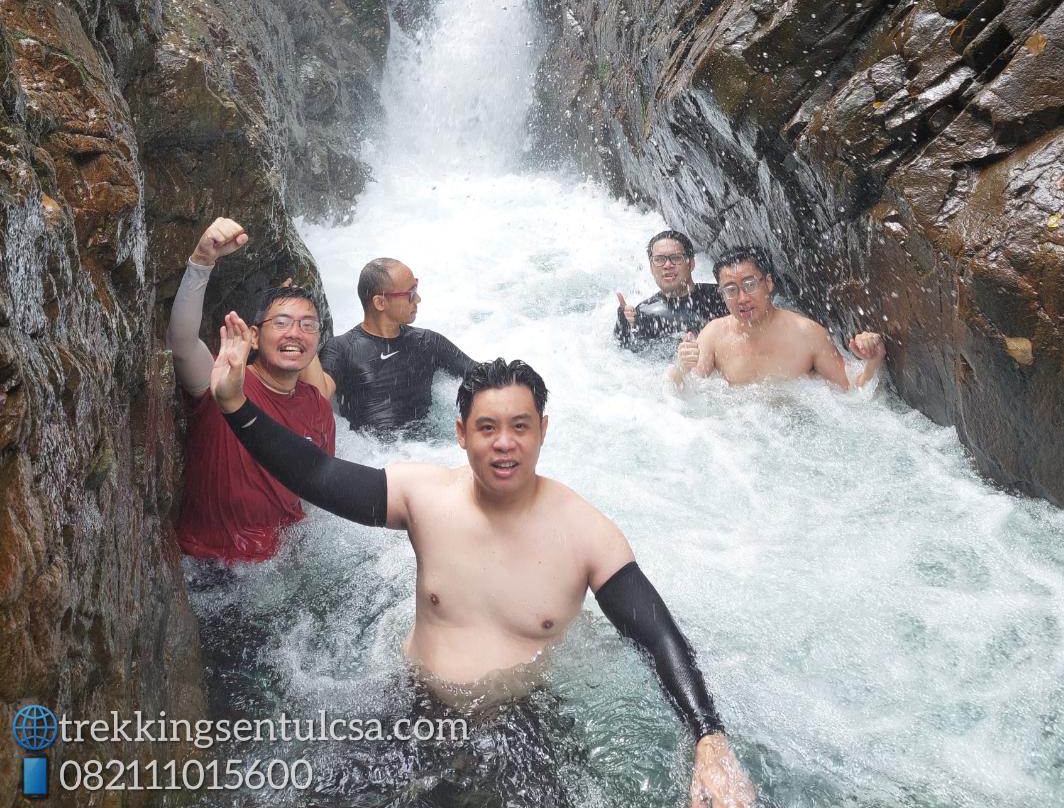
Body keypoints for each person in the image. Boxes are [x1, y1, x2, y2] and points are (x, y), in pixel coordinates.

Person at [209, 331, 757, 808]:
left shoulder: (587, 533)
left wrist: (709, 739)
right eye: (487, 427)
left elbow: (658, 637)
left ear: (542, 429)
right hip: (414, 702)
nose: (504, 443)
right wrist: (236, 404)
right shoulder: (422, 496)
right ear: (461, 433)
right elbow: (317, 473)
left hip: (520, 717)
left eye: (520, 426)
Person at [168, 217, 336, 562]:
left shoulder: (317, 406)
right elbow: (182, 344)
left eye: (308, 326)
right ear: (256, 337)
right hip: (213, 566)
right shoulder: (226, 379)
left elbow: (321, 489)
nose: (296, 333)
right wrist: (201, 262)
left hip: (282, 564)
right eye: (283, 323)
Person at [675, 246, 885, 389]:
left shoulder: (808, 334)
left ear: (768, 283)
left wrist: (873, 362)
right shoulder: (715, 333)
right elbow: (683, 398)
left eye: (750, 285)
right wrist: (680, 368)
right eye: (730, 290)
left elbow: (851, 393)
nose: (742, 298)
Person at [320, 258, 477, 433]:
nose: (417, 299)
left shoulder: (428, 342)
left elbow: (481, 375)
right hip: (372, 455)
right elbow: (317, 397)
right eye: (410, 293)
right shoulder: (342, 349)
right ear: (380, 302)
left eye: (416, 288)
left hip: (429, 448)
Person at [616, 229, 725, 349]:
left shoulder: (721, 296)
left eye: (676, 258)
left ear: (691, 263)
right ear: (651, 268)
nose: (668, 265)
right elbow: (630, 356)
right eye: (659, 260)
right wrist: (623, 327)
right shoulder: (644, 313)